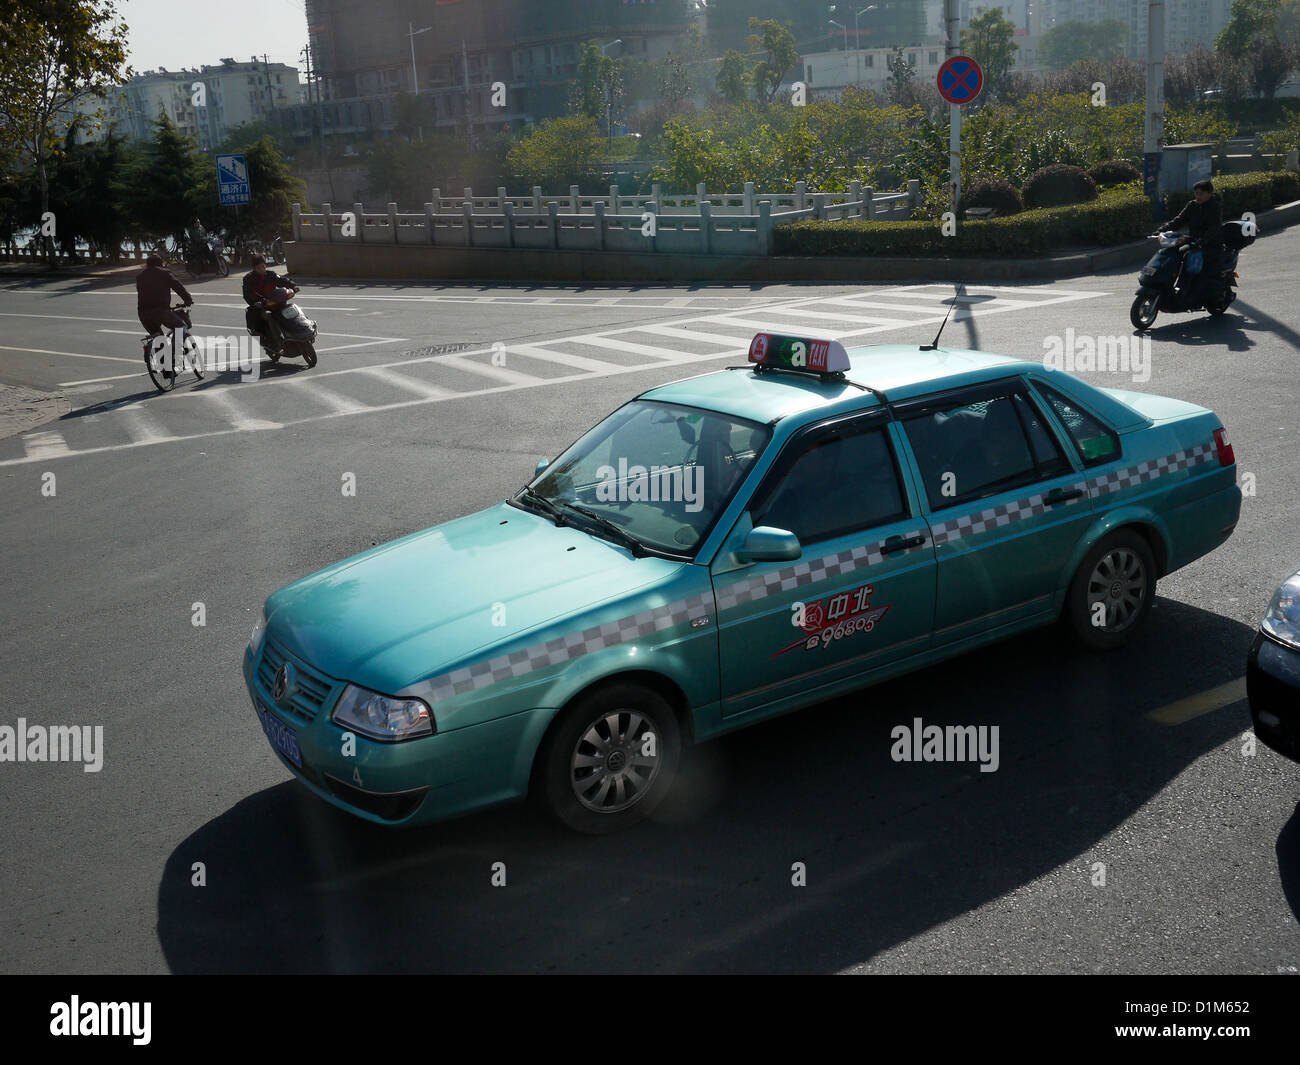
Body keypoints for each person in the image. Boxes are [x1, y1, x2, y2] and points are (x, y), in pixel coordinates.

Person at [242, 253, 299, 353]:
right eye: (259, 267)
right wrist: (255, 302)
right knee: (269, 316)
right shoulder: (248, 279)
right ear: (254, 268)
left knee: (291, 308)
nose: (262, 269)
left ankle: (298, 330)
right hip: (262, 307)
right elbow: (247, 294)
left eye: (263, 266)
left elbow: (282, 280)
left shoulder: (271, 275)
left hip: (276, 302)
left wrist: (293, 286)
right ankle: (278, 341)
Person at [136, 253, 193, 351]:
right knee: (181, 326)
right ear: (160, 264)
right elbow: (178, 287)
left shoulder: (140, 276)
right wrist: (188, 300)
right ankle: (175, 351)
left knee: (159, 338)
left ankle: (162, 362)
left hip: (143, 314)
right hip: (160, 312)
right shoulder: (164, 273)